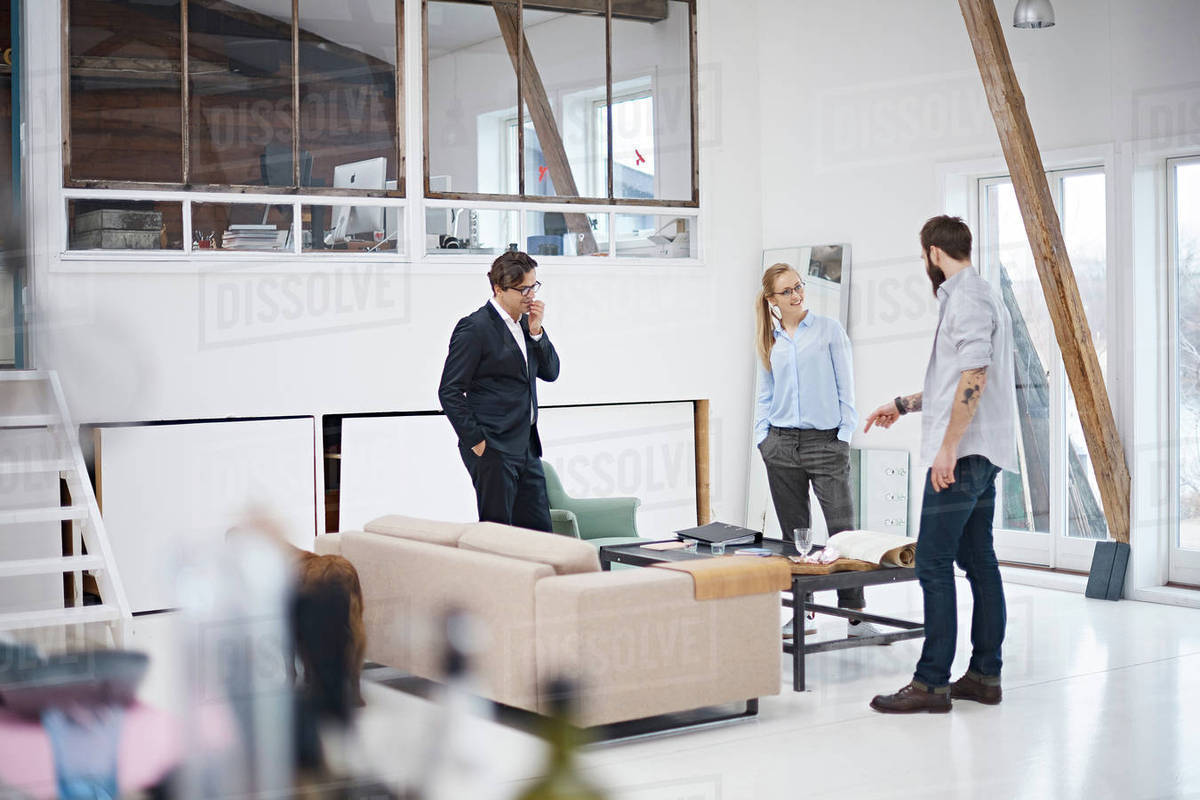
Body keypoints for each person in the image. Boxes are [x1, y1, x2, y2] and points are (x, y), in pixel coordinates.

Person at [863, 215, 1018, 713]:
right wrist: (902, 405)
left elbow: (975, 375)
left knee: (932, 562)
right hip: (983, 454)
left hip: (964, 455)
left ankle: (931, 683)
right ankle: (985, 677)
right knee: (978, 561)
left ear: (933, 252)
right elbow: (953, 381)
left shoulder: (966, 298)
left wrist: (948, 447)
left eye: (923, 254)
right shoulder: (979, 293)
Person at [754, 263, 883, 641]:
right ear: (772, 299)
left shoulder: (829, 330)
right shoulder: (770, 340)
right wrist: (763, 438)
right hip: (780, 445)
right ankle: (803, 615)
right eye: (787, 291)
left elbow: (847, 387)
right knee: (795, 538)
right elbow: (766, 394)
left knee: (843, 533)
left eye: (799, 286)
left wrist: (843, 436)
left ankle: (855, 618)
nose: (796, 295)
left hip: (825, 443)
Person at [438, 251, 560, 532]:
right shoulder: (475, 328)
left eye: (534, 286)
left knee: (540, 533)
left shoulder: (527, 324)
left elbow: (551, 372)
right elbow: (449, 391)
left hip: (526, 446)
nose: (531, 295)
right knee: (498, 535)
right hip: (493, 447)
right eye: (523, 289)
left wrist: (537, 333)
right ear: (498, 289)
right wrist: (477, 441)